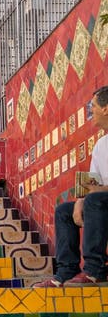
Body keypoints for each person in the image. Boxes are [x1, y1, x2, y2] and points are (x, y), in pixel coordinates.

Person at [34, 85, 108, 287]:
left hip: (102, 201)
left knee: (94, 199)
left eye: (93, 106)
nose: (90, 111)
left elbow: (98, 189)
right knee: (64, 211)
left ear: (105, 108)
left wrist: (95, 193)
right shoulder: (101, 144)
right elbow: (91, 181)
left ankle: (95, 269)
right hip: (100, 203)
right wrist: (79, 202)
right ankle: (66, 270)